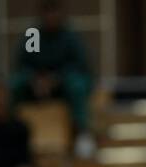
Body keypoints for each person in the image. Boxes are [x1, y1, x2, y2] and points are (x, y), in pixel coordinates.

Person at [8, 0, 95, 158]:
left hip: (63, 84)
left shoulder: (69, 36)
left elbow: (79, 65)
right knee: (15, 83)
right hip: (36, 84)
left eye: (54, 13)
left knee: (77, 84)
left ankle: (82, 133)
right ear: (42, 15)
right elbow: (24, 64)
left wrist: (56, 79)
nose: (51, 17)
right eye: (47, 13)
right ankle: (11, 129)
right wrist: (34, 79)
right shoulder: (34, 35)